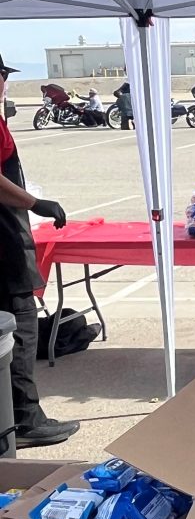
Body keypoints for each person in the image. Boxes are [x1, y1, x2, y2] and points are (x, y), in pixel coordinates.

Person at [0, 54, 80, 449]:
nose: (5, 83)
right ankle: (25, 420)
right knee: (20, 329)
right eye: (2, 76)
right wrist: (36, 204)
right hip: (5, 245)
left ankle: (12, 419)